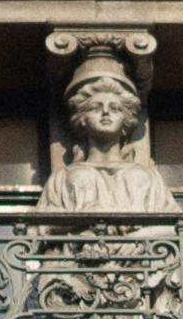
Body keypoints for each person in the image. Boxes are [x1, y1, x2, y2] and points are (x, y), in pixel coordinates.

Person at [35, 36, 174, 219]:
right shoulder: (62, 178)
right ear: (82, 120)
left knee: (136, 176)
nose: (106, 112)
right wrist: (82, 219)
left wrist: (137, 237)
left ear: (126, 122)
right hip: (80, 247)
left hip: (141, 248)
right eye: (95, 107)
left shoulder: (148, 177)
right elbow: (41, 228)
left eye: (115, 108)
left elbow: (175, 229)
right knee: (81, 175)